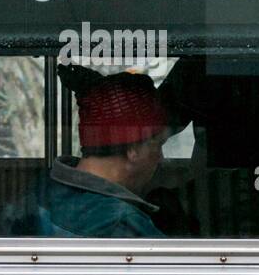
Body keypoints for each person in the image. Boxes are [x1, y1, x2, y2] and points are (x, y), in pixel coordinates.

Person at [38, 64, 172, 237]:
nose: (161, 158)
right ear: (133, 150)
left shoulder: (40, 196)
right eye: (159, 145)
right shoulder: (125, 224)